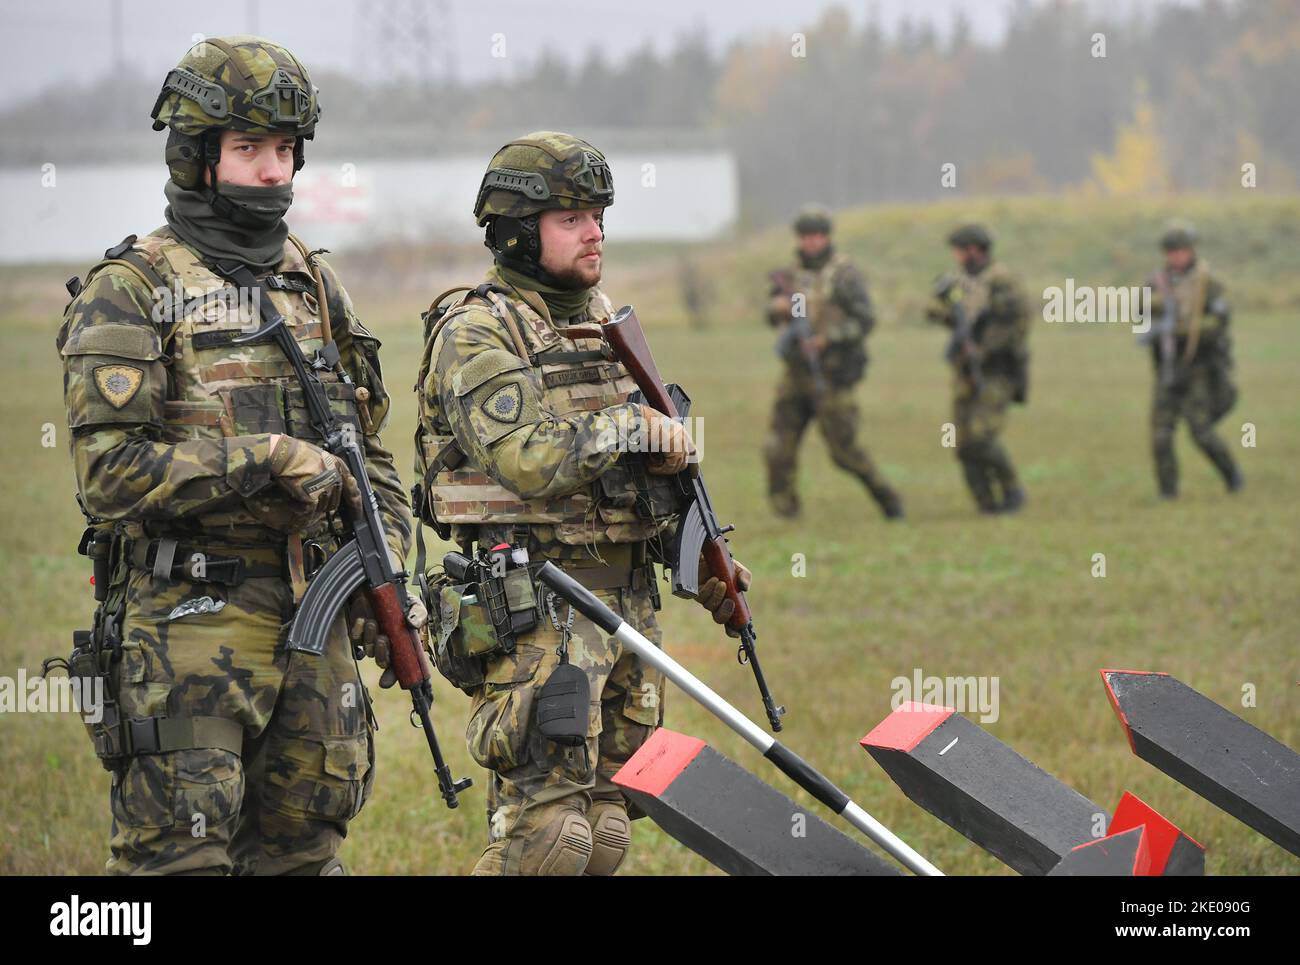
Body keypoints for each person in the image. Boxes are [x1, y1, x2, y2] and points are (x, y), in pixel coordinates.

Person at [54, 36, 414, 875]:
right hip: (186, 626)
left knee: (304, 859)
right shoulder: (133, 287)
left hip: (312, 621)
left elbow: (371, 452)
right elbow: (109, 476)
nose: (273, 172)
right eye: (249, 149)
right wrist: (265, 459)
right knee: (178, 863)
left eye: (286, 151)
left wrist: (391, 569)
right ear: (194, 155)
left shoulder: (313, 284)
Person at [413, 131, 750, 875]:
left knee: (605, 832)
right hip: (539, 610)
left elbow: (641, 487)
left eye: (598, 213)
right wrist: (633, 425)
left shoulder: (604, 326)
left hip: (626, 611)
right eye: (570, 218)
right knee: (550, 838)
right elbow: (528, 458)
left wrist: (705, 562)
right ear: (515, 232)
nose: (594, 229)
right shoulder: (478, 330)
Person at [763, 205, 903, 520]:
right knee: (777, 447)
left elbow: (865, 319)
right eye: (805, 237)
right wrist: (779, 307)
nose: (811, 243)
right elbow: (770, 314)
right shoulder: (790, 275)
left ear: (826, 238)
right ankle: (786, 513)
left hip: (833, 374)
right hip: (795, 373)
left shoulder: (844, 275)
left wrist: (829, 338)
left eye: (817, 237)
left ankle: (889, 499)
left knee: (844, 451)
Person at [925, 223, 1030, 513]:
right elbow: (938, 309)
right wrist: (946, 315)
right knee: (961, 442)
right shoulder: (957, 283)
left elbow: (1017, 324)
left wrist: (984, 348)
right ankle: (985, 502)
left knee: (981, 436)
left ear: (974, 250)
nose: (957, 256)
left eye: (960, 250)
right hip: (964, 369)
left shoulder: (1002, 281)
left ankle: (1011, 488)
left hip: (997, 369)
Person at [1143, 220, 1242, 498]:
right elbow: (1142, 317)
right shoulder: (1156, 283)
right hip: (1168, 367)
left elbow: (1220, 323)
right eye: (1171, 251)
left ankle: (1232, 475)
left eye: (1181, 250)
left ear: (1192, 250)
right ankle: (1168, 491)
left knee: (1200, 431)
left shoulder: (1207, 282)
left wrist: (1187, 330)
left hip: (1198, 365)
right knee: (1161, 434)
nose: (1176, 256)